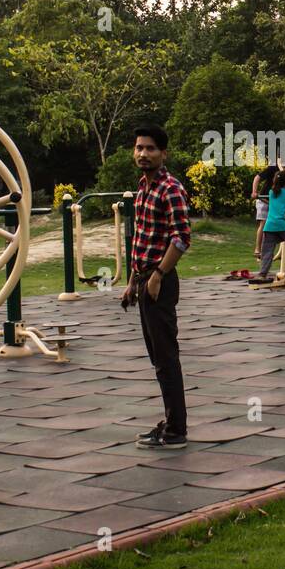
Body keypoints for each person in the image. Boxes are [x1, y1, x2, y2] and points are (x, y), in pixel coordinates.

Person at [120, 125, 192, 450]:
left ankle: (176, 430)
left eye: (150, 149)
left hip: (160, 280)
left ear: (164, 153)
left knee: (166, 357)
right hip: (145, 279)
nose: (142, 154)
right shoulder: (143, 187)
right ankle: (170, 421)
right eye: (139, 148)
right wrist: (132, 282)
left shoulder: (170, 189)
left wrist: (158, 275)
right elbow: (142, 240)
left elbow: (181, 238)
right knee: (157, 358)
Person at [251, 164, 277, 258]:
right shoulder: (272, 168)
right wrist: (254, 191)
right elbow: (257, 178)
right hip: (263, 199)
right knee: (264, 223)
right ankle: (257, 250)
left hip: (274, 201)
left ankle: (268, 249)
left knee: (273, 225)